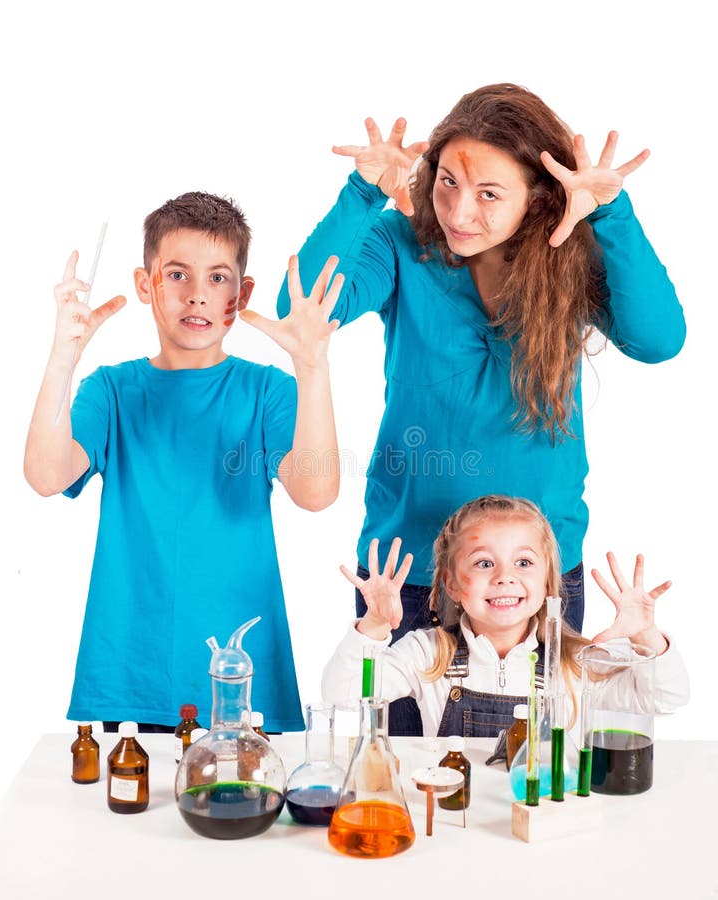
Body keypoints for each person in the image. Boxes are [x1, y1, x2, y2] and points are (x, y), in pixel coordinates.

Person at [278, 82, 685, 734]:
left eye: (488, 193)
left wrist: (610, 214)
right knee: (407, 783)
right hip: (408, 575)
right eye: (445, 182)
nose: (458, 211)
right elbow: (305, 307)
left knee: (525, 779)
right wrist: (362, 193)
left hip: (536, 579)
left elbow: (659, 340)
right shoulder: (399, 243)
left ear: (538, 198)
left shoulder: (568, 255)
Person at [24, 191, 343, 732]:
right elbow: (46, 475)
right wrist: (63, 357)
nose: (197, 295)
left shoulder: (267, 390)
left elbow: (316, 493)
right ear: (146, 284)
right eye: (177, 275)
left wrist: (313, 369)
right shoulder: (112, 389)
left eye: (218, 278)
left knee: (239, 812)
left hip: (241, 671)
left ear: (240, 295)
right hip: (135, 665)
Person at [322, 495, 689, 738]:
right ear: (451, 584)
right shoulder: (428, 653)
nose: (504, 576)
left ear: (547, 583)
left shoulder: (573, 662)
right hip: (457, 821)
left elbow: (667, 698)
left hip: (541, 827)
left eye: (524, 562)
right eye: (484, 562)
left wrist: (647, 637)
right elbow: (342, 694)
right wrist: (372, 626)